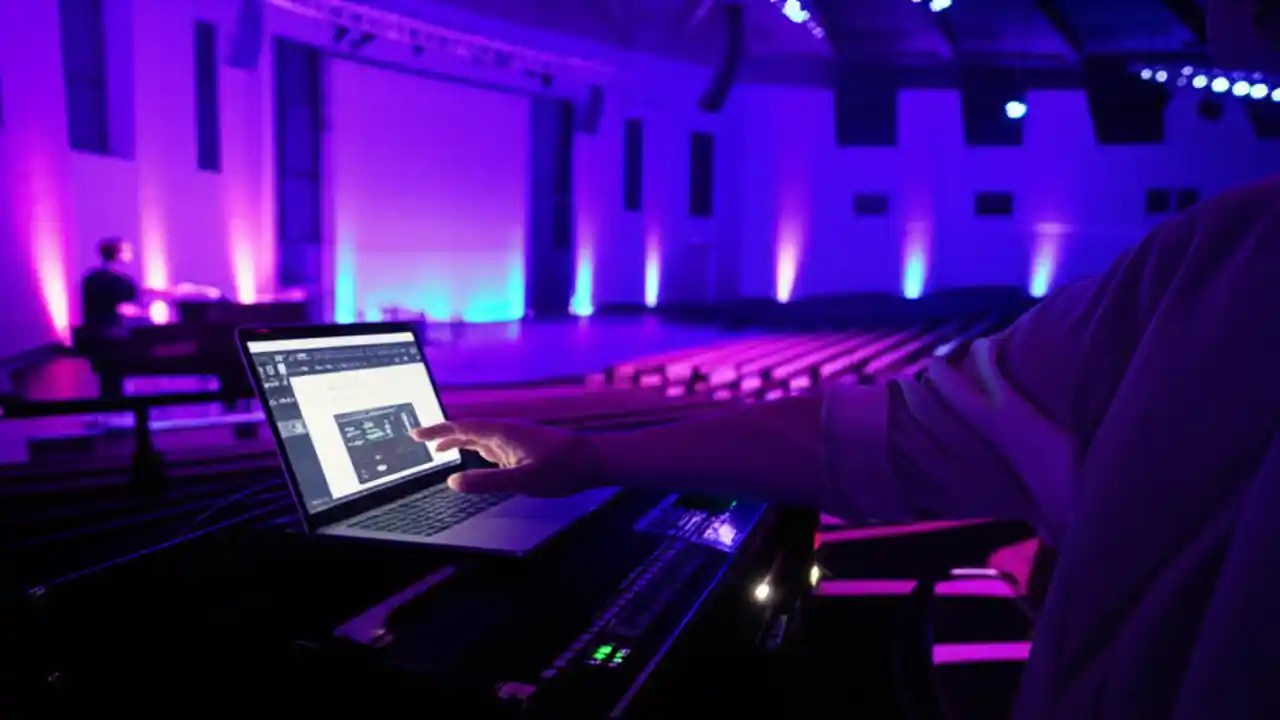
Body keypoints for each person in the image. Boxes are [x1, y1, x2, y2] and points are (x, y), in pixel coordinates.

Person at [416, 3, 1280, 716]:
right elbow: (913, 430)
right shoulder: (1220, 252)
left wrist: (596, 451)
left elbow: (914, 432)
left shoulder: (1228, 254)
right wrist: (593, 455)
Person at [80, 237, 141, 398]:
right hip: (111, 334)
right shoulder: (116, 281)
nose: (131, 254)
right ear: (118, 254)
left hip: (98, 332)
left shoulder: (92, 278)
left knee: (108, 376)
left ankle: (112, 402)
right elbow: (121, 306)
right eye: (127, 250)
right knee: (114, 374)